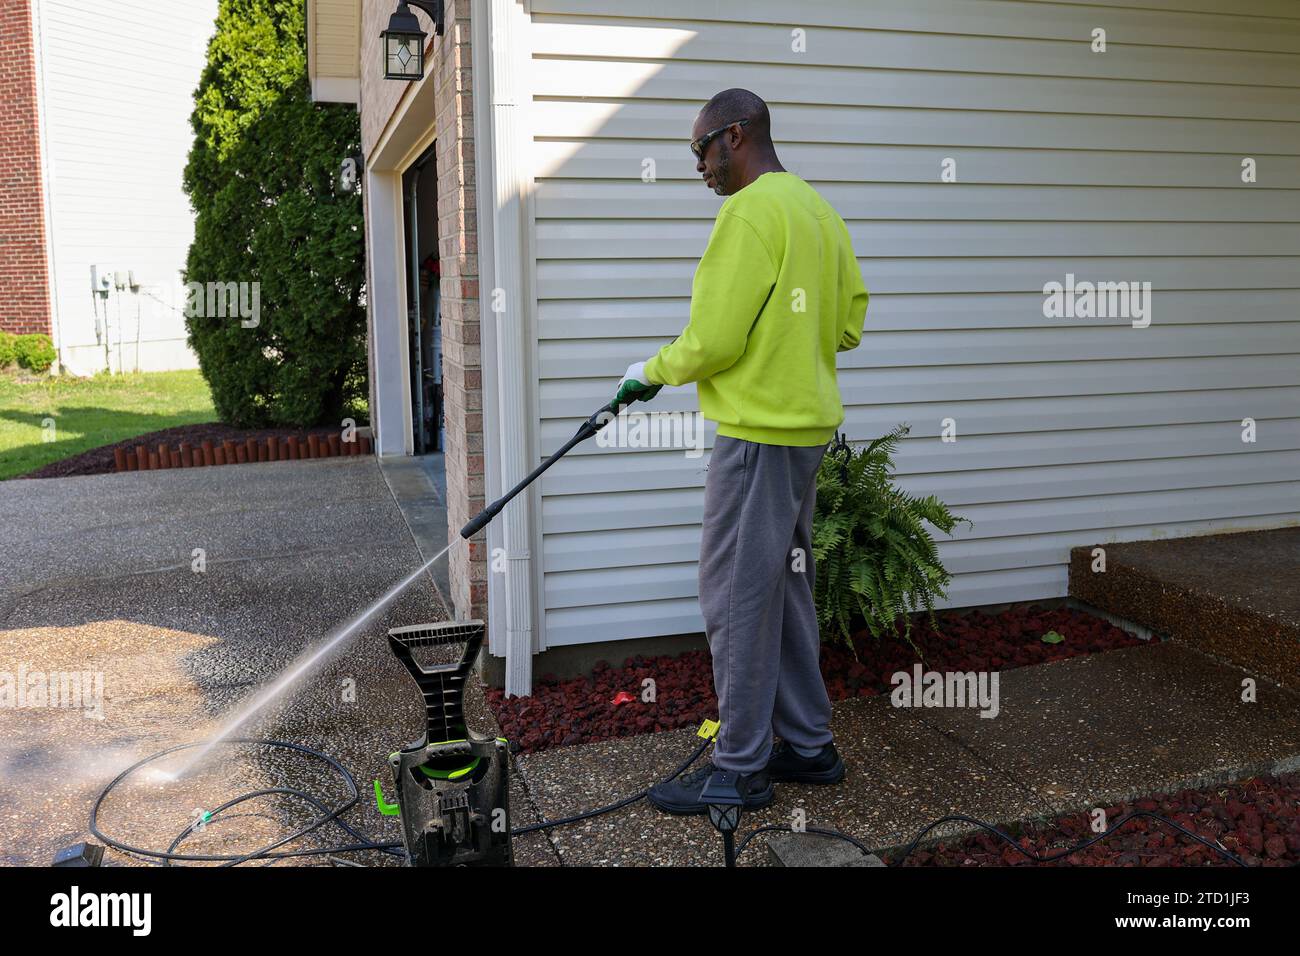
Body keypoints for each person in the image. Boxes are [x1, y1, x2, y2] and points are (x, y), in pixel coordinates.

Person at [612, 89, 869, 814]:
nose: (699, 167)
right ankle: (809, 746)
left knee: (736, 596)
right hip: (803, 434)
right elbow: (849, 324)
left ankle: (740, 766)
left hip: (756, 437)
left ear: (735, 135)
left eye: (701, 150)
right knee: (782, 591)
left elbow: (715, 340)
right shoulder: (818, 211)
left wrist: (650, 371)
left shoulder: (750, 212)